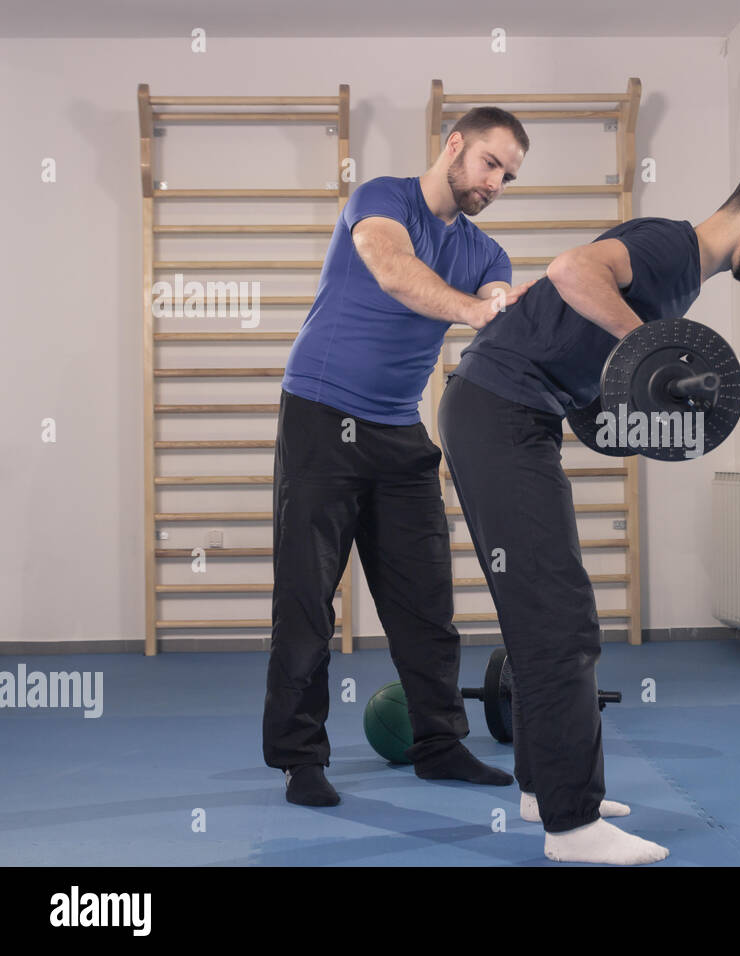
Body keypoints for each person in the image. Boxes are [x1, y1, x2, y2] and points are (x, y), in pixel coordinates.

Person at [439, 155, 740, 863]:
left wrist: (645, 400)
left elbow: (596, 376)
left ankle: (541, 788)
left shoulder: (681, 276)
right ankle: (572, 825)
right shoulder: (670, 247)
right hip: (498, 410)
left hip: (513, 414)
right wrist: (649, 348)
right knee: (559, 617)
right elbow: (569, 269)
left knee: (545, 614)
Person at [262, 107, 536, 807]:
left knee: (426, 603)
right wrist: (474, 311)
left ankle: (440, 745)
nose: (497, 182)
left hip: (396, 430)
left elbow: (497, 298)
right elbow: (392, 270)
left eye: (508, 174)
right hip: (322, 412)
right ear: (454, 147)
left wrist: (504, 305)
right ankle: (300, 758)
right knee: (307, 599)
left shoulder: (486, 254)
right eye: (490, 163)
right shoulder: (383, 199)